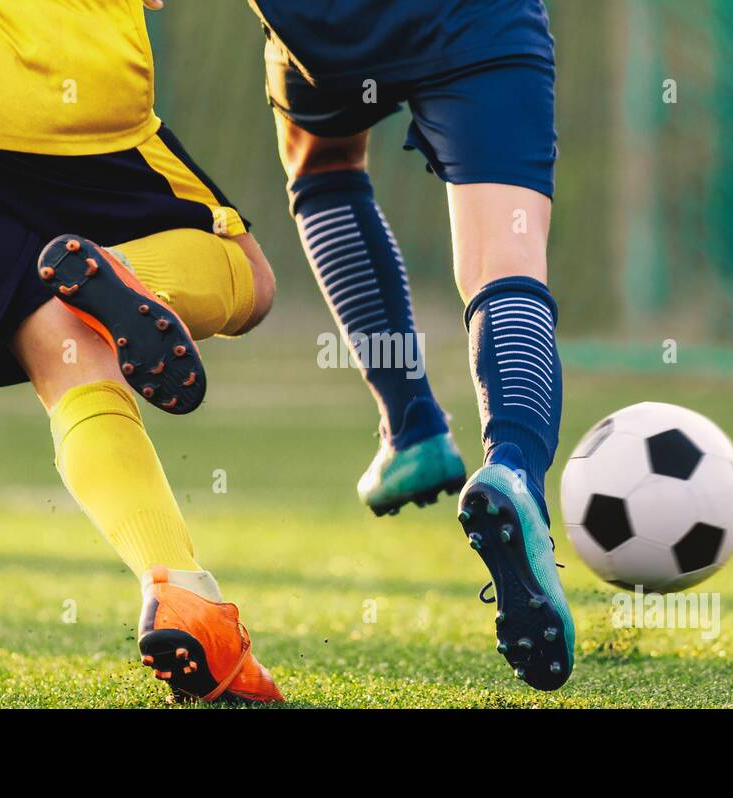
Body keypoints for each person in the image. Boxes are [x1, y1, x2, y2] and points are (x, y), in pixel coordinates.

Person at [0, 0, 281, 703]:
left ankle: (183, 591)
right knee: (247, 277)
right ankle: (133, 274)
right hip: (69, 102)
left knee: (67, 354)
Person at [249, 0, 575, 689]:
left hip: (326, 28)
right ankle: (513, 470)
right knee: (505, 257)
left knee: (321, 161)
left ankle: (412, 425)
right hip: (469, 19)